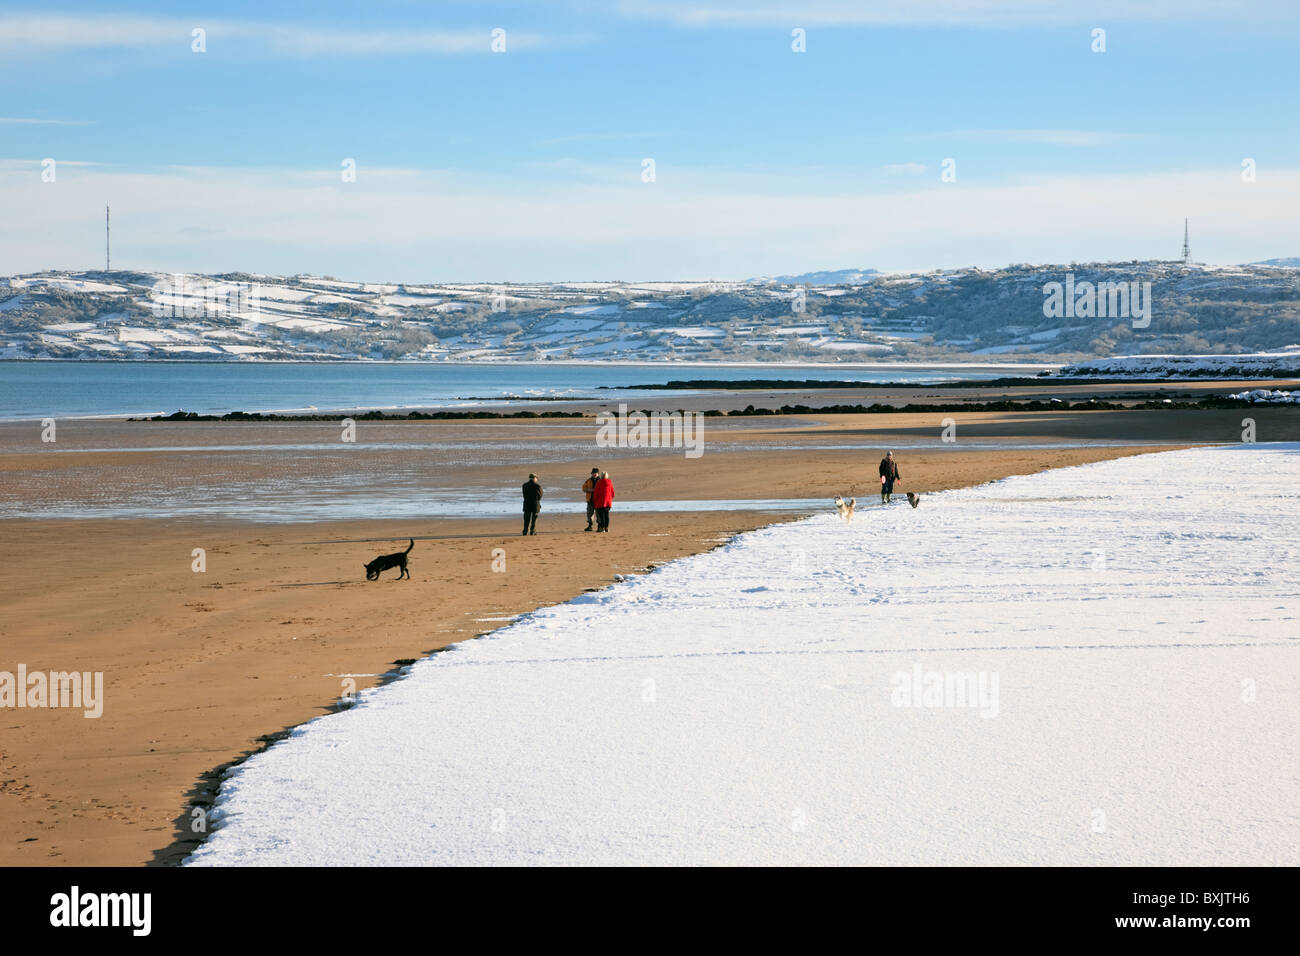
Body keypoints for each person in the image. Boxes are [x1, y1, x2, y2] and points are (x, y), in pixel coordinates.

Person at [581, 467, 600, 531]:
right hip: (590, 500)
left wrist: (596, 490)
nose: (594, 474)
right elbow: (583, 488)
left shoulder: (601, 481)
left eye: (596, 473)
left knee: (598, 514)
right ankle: (590, 526)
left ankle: (599, 526)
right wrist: (589, 490)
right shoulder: (588, 480)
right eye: (593, 473)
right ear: (591, 474)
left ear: (598, 474)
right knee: (589, 513)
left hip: (598, 501)